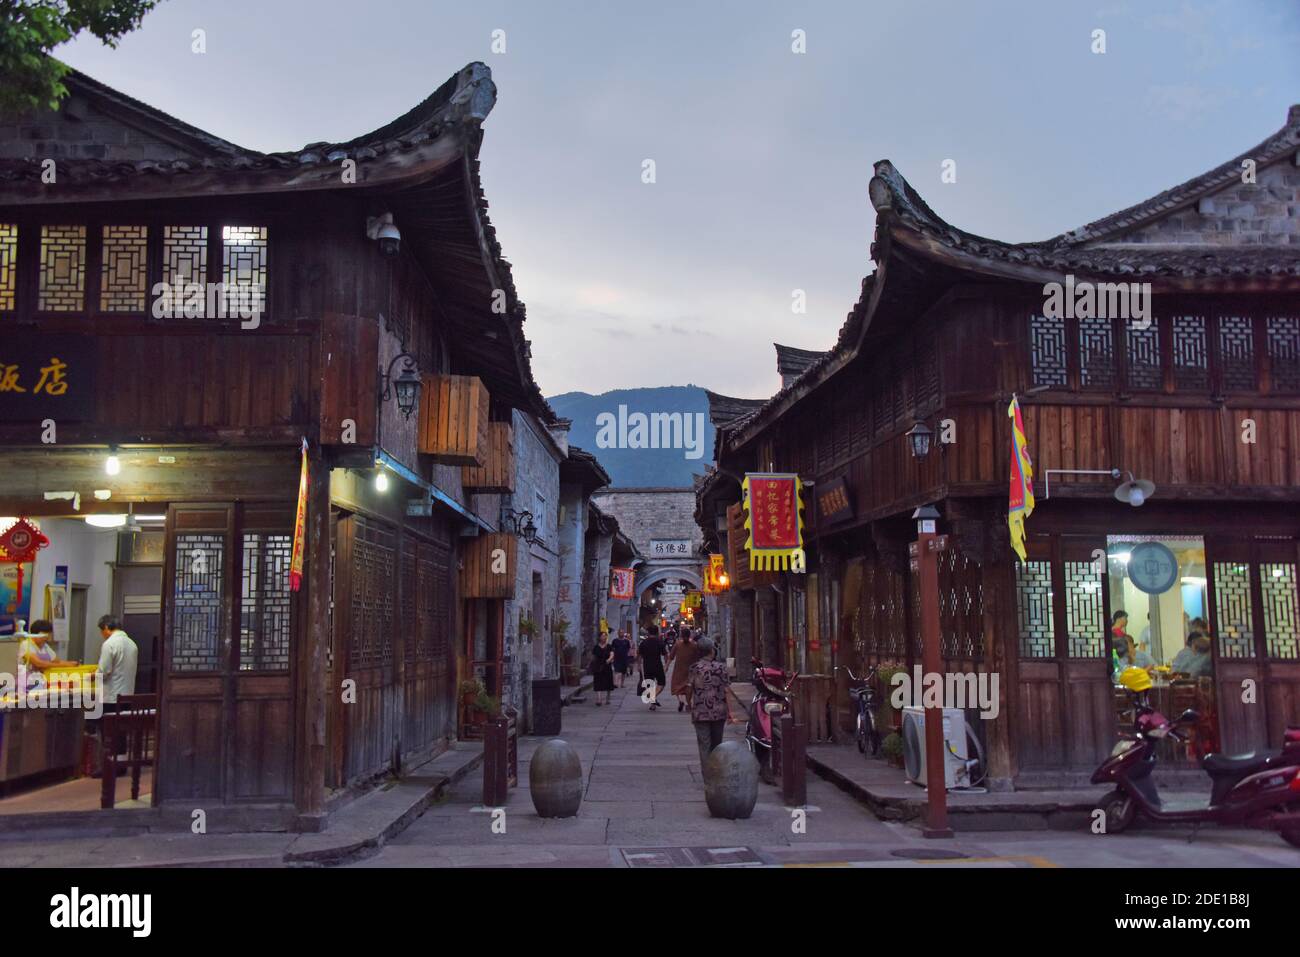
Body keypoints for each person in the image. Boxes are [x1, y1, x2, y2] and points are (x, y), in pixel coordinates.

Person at [688, 636, 731, 772]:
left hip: (700, 712)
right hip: (719, 712)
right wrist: (731, 711)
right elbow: (727, 691)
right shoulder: (721, 668)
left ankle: (707, 775)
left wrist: (689, 703)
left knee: (704, 744)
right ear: (712, 651)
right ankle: (716, 771)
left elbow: (689, 688)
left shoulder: (694, 668)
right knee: (717, 744)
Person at [18, 619, 76, 690]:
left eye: (48, 635)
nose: (47, 638)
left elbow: (56, 661)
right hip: (26, 684)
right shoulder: (26, 644)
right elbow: (38, 663)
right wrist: (64, 665)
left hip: (42, 682)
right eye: (44, 635)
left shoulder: (45, 646)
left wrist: (71, 664)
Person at [96, 615, 139, 706]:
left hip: (111, 698)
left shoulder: (109, 644)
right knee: (122, 720)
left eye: (101, 631)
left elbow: (103, 672)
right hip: (128, 696)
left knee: (100, 719)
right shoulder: (132, 644)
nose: (101, 634)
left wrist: (91, 676)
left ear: (106, 627)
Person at [667, 627, 701, 712]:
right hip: (690, 669)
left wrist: (666, 666)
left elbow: (671, 657)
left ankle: (682, 701)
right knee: (688, 687)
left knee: (677, 686)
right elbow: (699, 657)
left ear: (681, 636)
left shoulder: (678, 644)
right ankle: (686, 703)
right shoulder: (694, 645)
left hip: (679, 669)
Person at [637, 626, 667, 710]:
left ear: (648, 633)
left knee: (649, 684)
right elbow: (665, 655)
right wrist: (666, 665)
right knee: (661, 683)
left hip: (647, 666)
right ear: (657, 633)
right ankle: (653, 699)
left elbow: (639, 655)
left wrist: (639, 665)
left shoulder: (643, 643)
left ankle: (652, 701)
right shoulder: (660, 642)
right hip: (658, 665)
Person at [590, 631, 615, 706]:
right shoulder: (596, 647)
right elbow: (593, 657)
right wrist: (592, 665)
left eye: (605, 636)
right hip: (598, 666)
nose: (604, 637)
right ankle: (599, 699)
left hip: (607, 666)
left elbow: (612, 654)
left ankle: (608, 697)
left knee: (608, 682)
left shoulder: (609, 646)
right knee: (598, 682)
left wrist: (609, 660)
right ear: (599, 637)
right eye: (603, 636)